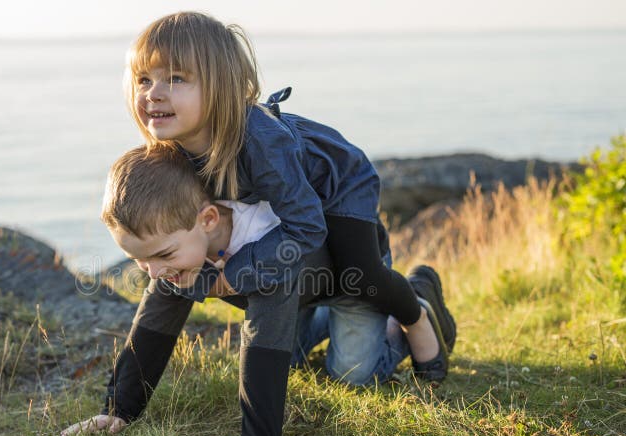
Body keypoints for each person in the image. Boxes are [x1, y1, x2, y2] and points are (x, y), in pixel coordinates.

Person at [60, 146, 455, 436]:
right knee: (293, 358)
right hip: (303, 294)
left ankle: (415, 296)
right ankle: (321, 322)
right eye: (138, 260)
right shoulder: (175, 244)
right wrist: (119, 409)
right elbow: (155, 322)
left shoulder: (266, 250)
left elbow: (264, 343)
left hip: (348, 286)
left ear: (209, 219)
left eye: (162, 256)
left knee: (350, 373)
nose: (153, 271)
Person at [122, 11, 456, 380]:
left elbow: (306, 226)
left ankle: (416, 310)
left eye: (175, 78)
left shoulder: (260, 141)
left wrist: (235, 274)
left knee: (358, 278)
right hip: (296, 224)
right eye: (143, 79)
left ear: (220, 85)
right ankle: (325, 313)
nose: (153, 93)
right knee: (289, 357)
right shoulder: (170, 154)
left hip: (337, 187)